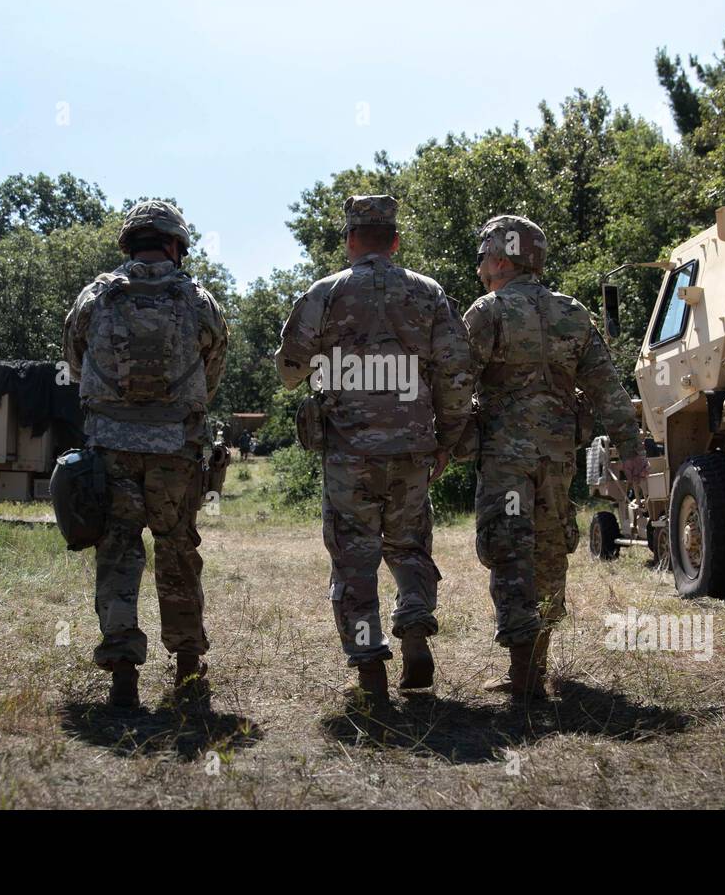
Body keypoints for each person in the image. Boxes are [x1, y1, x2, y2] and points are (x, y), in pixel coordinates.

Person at [276, 195, 472, 701]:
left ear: (349, 241)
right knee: (409, 548)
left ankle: (369, 670)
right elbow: (455, 372)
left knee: (354, 560)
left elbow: (289, 370)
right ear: (396, 241)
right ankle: (413, 629)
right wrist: (447, 439)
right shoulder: (428, 294)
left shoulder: (326, 293)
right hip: (411, 450)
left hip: (349, 452)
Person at [461, 214, 646, 700]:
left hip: (505, 456)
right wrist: (631, 448)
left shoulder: (488, 312)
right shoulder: (573, 313)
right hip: (559, 455)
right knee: (548, 549)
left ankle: (523, 674)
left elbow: (454, 383)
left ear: (502, 259)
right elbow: (607, 387)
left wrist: (440, 445)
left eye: (483, 256)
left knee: (508, 548)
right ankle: (534, 665)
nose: (480, 265)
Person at [62, 199, 229, 708]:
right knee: (177, 552)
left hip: (110, 449)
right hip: (176, 451)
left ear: (129, 244)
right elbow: (213, 368)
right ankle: (185, 667)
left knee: (117, 552)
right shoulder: (199, 300)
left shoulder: (96, 296)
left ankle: (122, 672)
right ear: (176, 244)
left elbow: (74, 358)